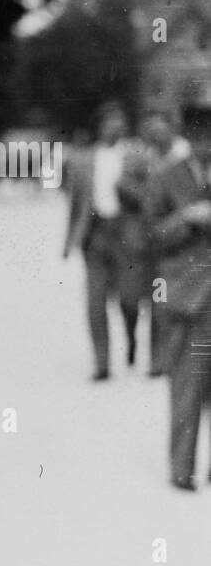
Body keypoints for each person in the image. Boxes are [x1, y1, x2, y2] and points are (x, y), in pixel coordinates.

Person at [146, 121, 211, 491]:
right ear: (193, 138)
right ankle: (182, 470)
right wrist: (186, 218)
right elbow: (151, 233)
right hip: (188, 297)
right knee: (187, 386)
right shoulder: (167, 177)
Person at [64, 102, 144, 380]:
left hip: (126, 236)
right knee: (95, 303)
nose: (116, 127)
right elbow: (75, 203)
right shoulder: (83, 159)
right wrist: (68, 241)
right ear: (99, 126)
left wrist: (128, 187)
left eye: (120, 121)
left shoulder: (136, 155)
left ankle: (132, 337)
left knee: (130, 299)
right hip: (95, 236)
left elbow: (148, 197)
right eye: (110, 122)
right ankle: (102, 364)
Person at [135, 110, 191, 375]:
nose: (157, 135)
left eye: (161, 129)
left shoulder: (186, 156)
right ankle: (159, 358)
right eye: (152, 131)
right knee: (159, 302)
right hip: (158, 248)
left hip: (188, 244)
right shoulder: (144, 160)